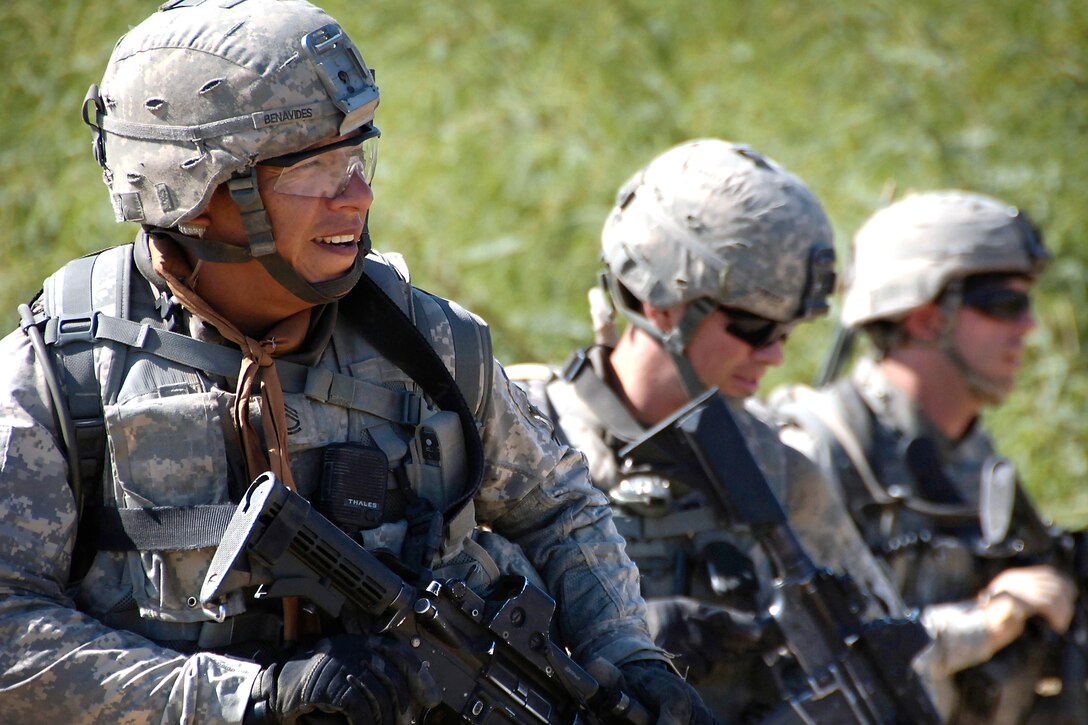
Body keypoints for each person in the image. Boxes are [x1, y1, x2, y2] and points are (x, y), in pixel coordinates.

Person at [0, 2, 715, 723]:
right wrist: (251, 699)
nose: (360, 195)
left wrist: (628, 651)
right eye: (314, 168)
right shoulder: (59, 376)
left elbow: (557, 507)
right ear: (194, 193)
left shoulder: (433, 346)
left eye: (355, 156)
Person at [508, 138, 935, 720]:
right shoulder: (515, 433)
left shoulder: (779, 473)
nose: (776, 357)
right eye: (756, 328)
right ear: (663, 301)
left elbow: (885, 661)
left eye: (789, 333)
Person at [772, 190, 1082, 723]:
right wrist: (985, 623)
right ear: (922, 319)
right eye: (1004, 304)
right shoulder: (814, 452)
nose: (1027, 327)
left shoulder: (974, 460)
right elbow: (789, 653)